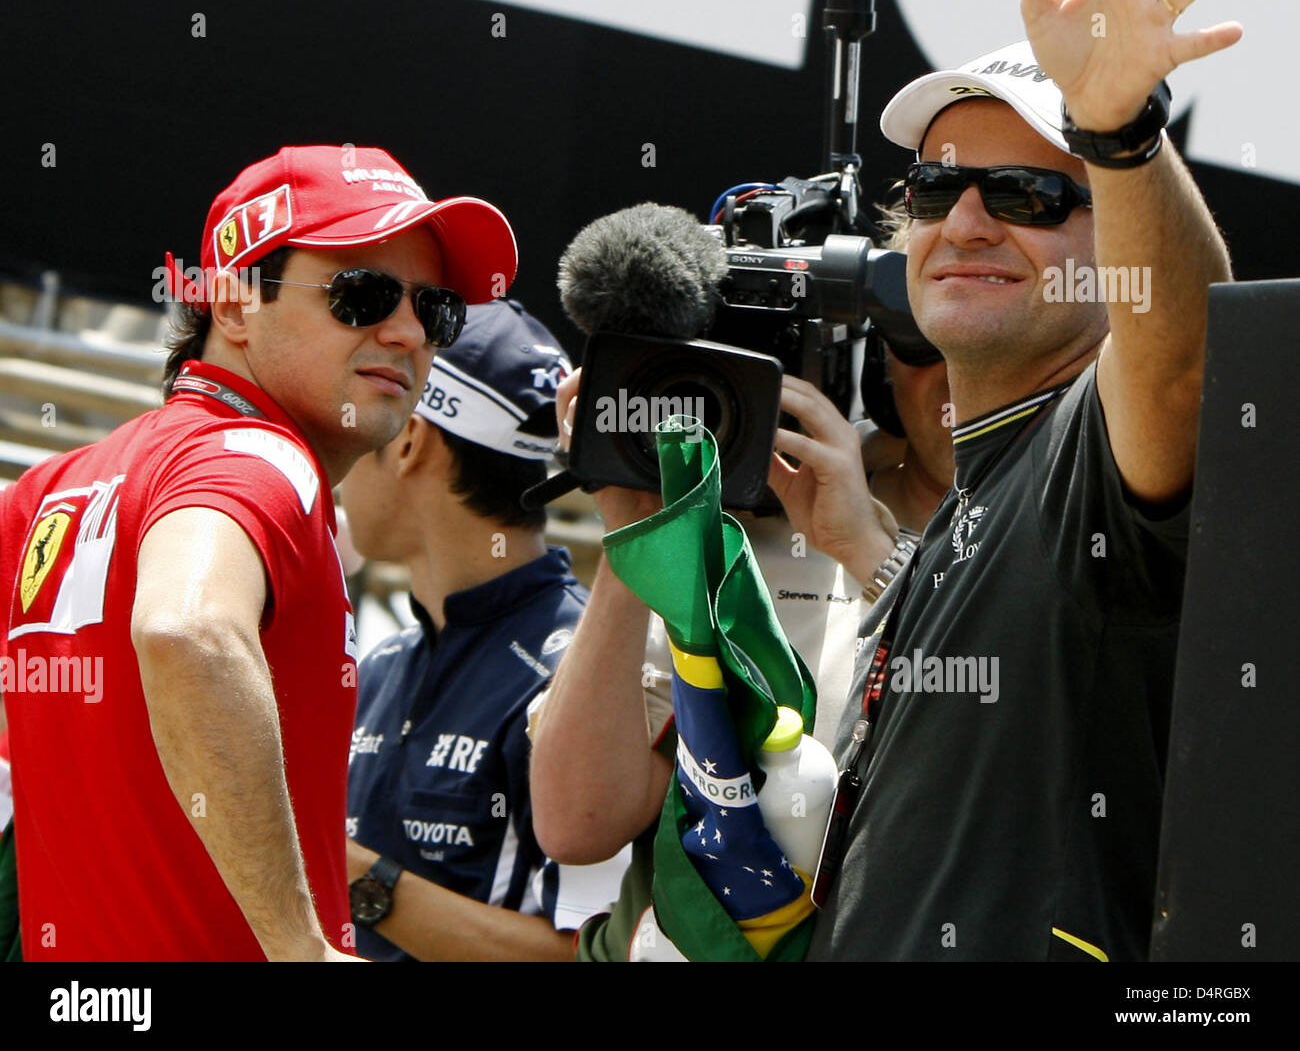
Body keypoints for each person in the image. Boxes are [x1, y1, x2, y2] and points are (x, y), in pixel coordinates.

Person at [806, 0, 1240, 961]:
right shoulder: (983, 483)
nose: (962, 221)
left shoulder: (1090, 442)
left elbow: (1184, 369)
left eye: (1027, 195)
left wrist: (1117, 129)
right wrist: (867, 554)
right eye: (936, 186)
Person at [0, 145, 516, 960]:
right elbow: (188, 630)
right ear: (234, 305)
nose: (411, 332)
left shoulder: (49, 491)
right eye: (363, 294)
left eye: (437, 308)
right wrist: (298, 947)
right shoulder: (258, 458)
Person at [528, 340, 953, 959]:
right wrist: (640, 530)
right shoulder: (786, 477)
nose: (951, 375)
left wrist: (869, 553)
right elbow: (576, 824)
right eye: (920, 341)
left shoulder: (1090, 514)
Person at [340, 299, 626, 960]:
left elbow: (585, 953)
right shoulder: (381, 663)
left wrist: (352, 873)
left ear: (409, 437)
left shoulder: (580, 675)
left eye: (366, 417)